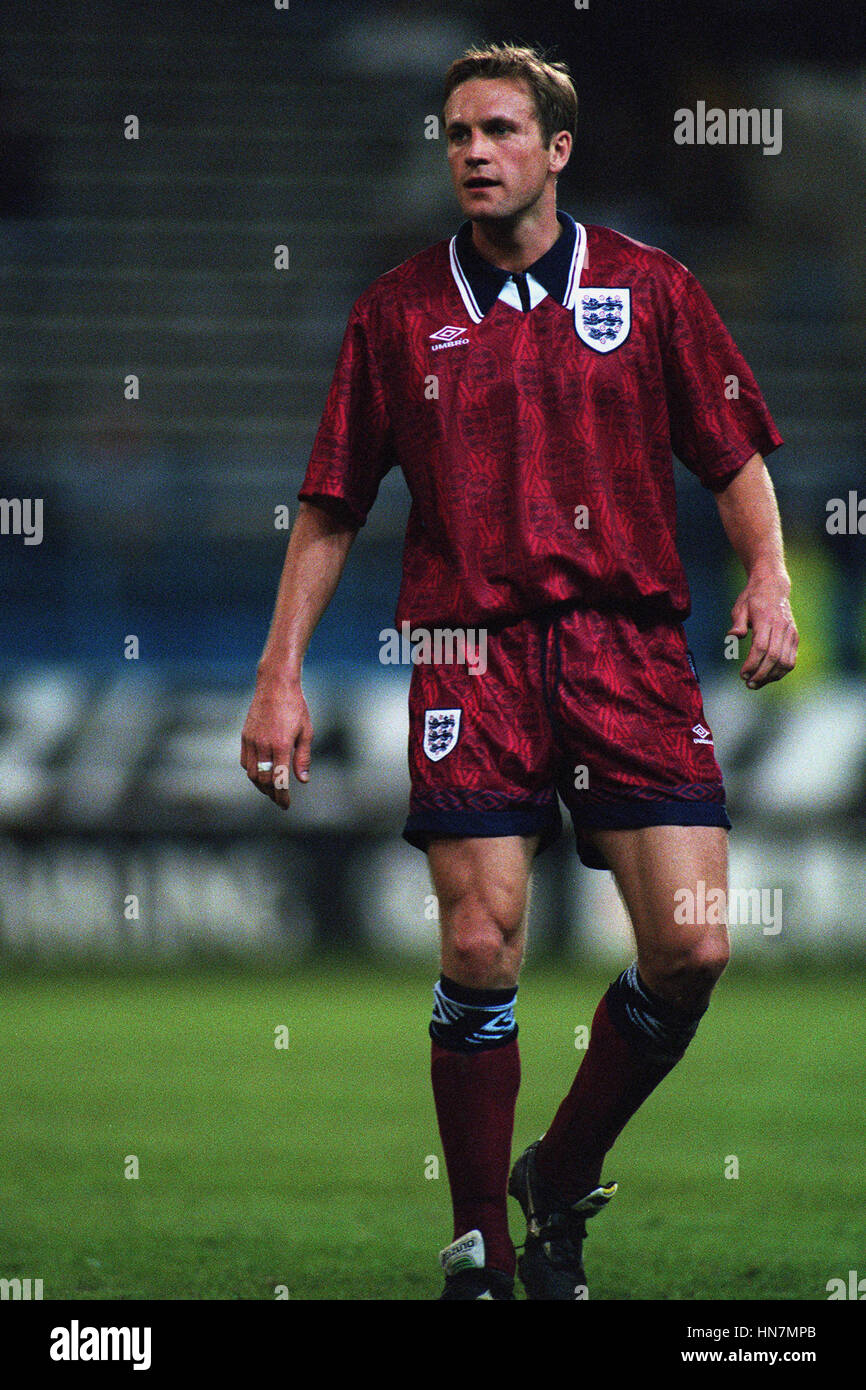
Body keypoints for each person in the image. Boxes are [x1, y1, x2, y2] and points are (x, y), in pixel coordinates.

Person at [241, 43, 798, 1301]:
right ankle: (480, 1248)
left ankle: (563, 1168)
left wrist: (763, 574)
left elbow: (732, 458)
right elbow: (329, 504)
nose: (472, 153)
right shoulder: (393, 315)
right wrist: (278, 673)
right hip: (469, 653)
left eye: (497, 130)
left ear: (555, 149)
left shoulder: (650, 291)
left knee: (693, 949)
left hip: (629, 647)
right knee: (481, 941)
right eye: (454, 134)